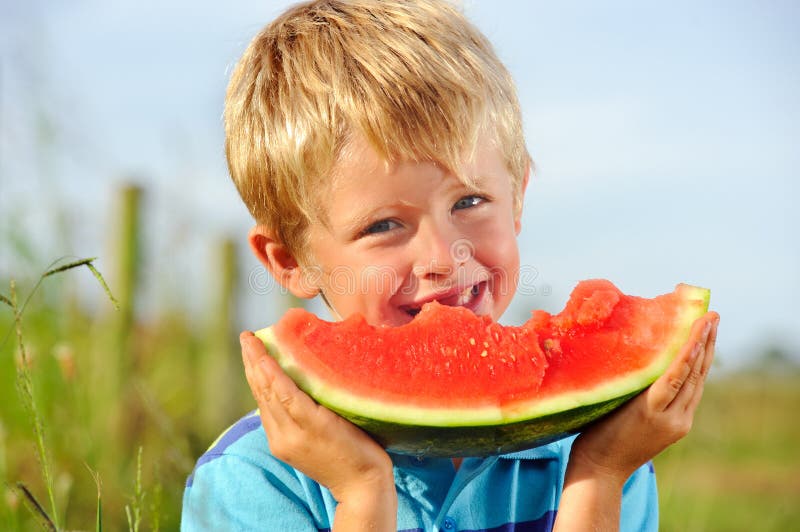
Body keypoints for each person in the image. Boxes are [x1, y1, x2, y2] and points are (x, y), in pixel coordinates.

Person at [181, 0, 719, 530]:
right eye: (383, 225)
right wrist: (363, 494)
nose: (444, 258)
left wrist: (598, 475)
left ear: (518, 199)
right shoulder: (254, 478)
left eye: (469, 202)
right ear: (290, 259)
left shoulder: (608, 450)